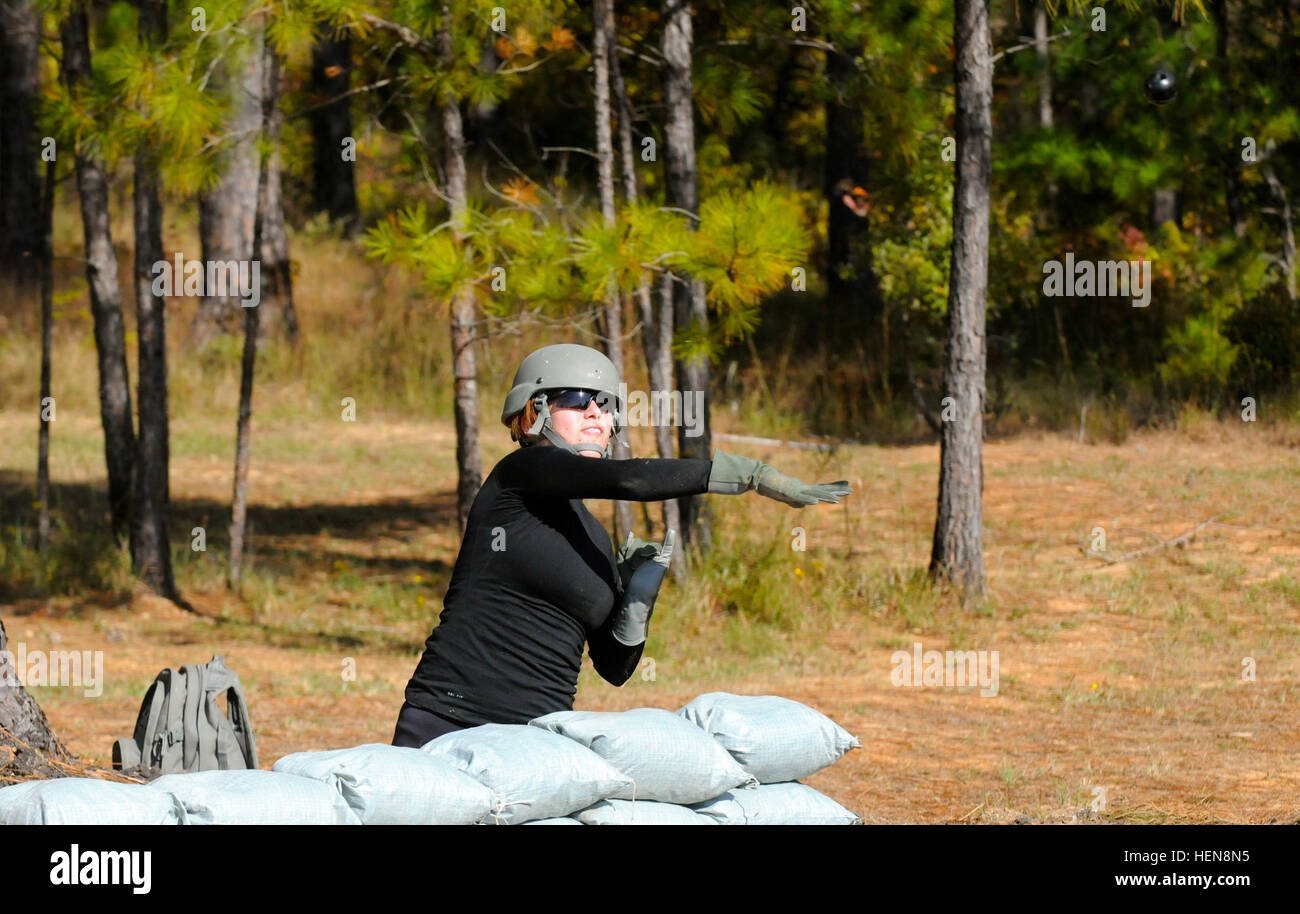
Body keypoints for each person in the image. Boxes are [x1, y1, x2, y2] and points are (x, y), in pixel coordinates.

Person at [391, 343, 850, 748]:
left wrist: (635, 607)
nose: (596, 412)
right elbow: (629, 478)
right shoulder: (516, 479)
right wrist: (748, 474)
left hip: (535, 740)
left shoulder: (593, 536)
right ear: (535, 411)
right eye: (575, 398)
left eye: (606, 403)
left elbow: (614, 668)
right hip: (449, 720)